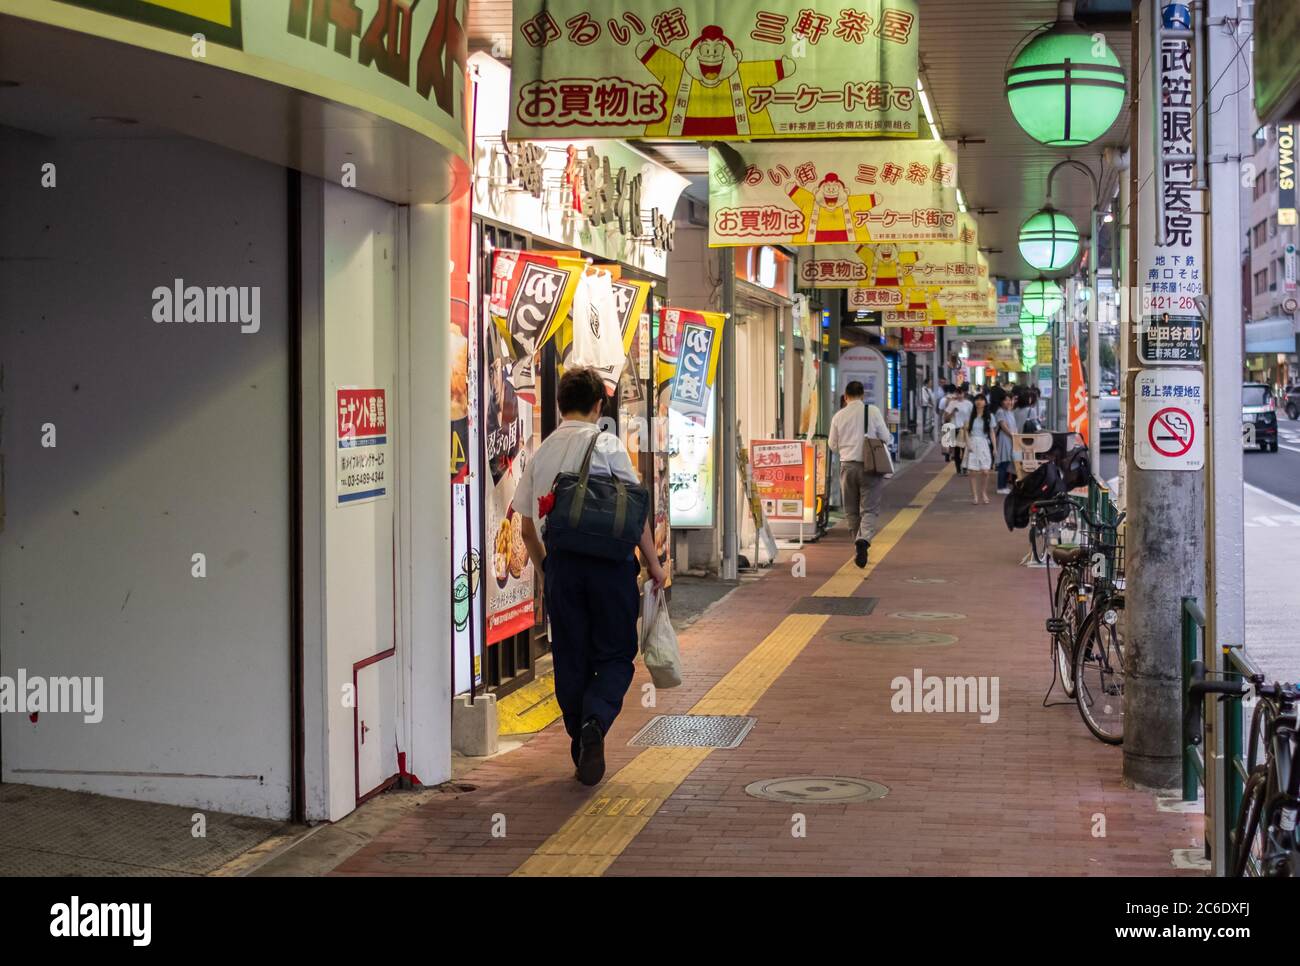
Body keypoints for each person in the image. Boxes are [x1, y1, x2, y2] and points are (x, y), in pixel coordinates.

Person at [514, 367, 667, 786]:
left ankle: (581, 733)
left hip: (564, 568)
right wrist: (654, 565)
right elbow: (634, 517)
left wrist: (549, 572)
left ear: (560, 405)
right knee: (616, 654)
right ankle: (595, 722)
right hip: (611, 570)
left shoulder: (541, 452)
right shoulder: (609, 446)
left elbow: (526, 529)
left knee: (570, 656)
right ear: (599, 405)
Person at [827, 380, 892, 568]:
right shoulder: (872, 412)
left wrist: (846, 448)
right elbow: (886, 437)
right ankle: (863, 540)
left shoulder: (839, 416)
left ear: (846, 397)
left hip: (847, 466)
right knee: (869, 509)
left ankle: (858, 543)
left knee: (851, 510)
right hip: (870, 466)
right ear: (863, 395)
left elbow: (832, 445)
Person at [962, 393, 995, 504]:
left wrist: (995, 448)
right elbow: (965, 431)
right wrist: (968, 444)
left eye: (981, 399)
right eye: (977, 399)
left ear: (985, 402)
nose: (979, 402)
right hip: (972, 442)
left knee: (986, 471)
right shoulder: (969, 415)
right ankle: (975, 496)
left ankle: (983, 492)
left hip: (984, 443)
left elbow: (992, 432)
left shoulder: (990, 416)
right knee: (973, 471)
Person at [945, 386, 973, 474]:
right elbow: (946, 418)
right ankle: (958, 468)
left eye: (961, 393)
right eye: (958, 393)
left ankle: (964, 468)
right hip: (955, 428)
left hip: (966, 429)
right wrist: (953, 411)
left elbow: (972, 416)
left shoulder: (969, 404)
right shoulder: (952, 403)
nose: (959, 395)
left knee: (965, 450)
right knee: (957, 450)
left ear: (964, 394)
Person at [995, 393, 1017, 494]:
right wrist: (1012, 435)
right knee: (1003, 464)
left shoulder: (1010, 411)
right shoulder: (1000, 412)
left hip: (1010, 439)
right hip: (1005, 439)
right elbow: (1003, 426)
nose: (1008, 402)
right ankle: (1000, 487)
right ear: (1001, 401)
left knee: (1006, 463)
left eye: (1010, 400)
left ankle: (1003, 486)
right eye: (1006, 400)